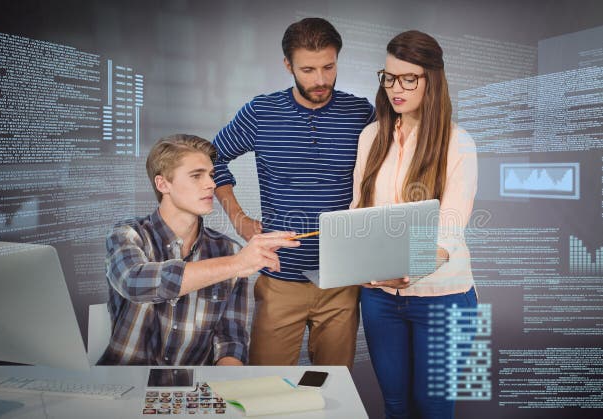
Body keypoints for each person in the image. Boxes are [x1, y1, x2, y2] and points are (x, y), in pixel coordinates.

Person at [212, 18, 375, 369]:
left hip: (342, 282)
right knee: (266, 386)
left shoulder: (361, 113)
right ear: (288, 65)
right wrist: (239, 219)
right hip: (279, 279)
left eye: (329, 67)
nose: (320, 80)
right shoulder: (261, 112)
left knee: (332, 386)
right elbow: (212, 158)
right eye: (308, 70)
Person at [351, 30, 479, 418]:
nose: (396, 88)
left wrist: (409, 270)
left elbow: (449, 231)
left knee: (432, 409)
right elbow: (360, 210)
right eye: (389, 77)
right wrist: (353, 259)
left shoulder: (458, 143)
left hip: (443, 297)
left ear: (432, 80)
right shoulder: (371, 136)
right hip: (380, 299)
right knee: (395, 406)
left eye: (409, 78)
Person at [100, 134, 299, 366]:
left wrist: (227, 383)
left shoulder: (229, 250)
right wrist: (236, 264)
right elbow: (134, 282)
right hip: (126, 381)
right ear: (163, 184)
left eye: (211, 175)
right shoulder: (128, 234)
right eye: (196, 176)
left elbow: (231, 340)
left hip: (196, 384)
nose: (211, 185)